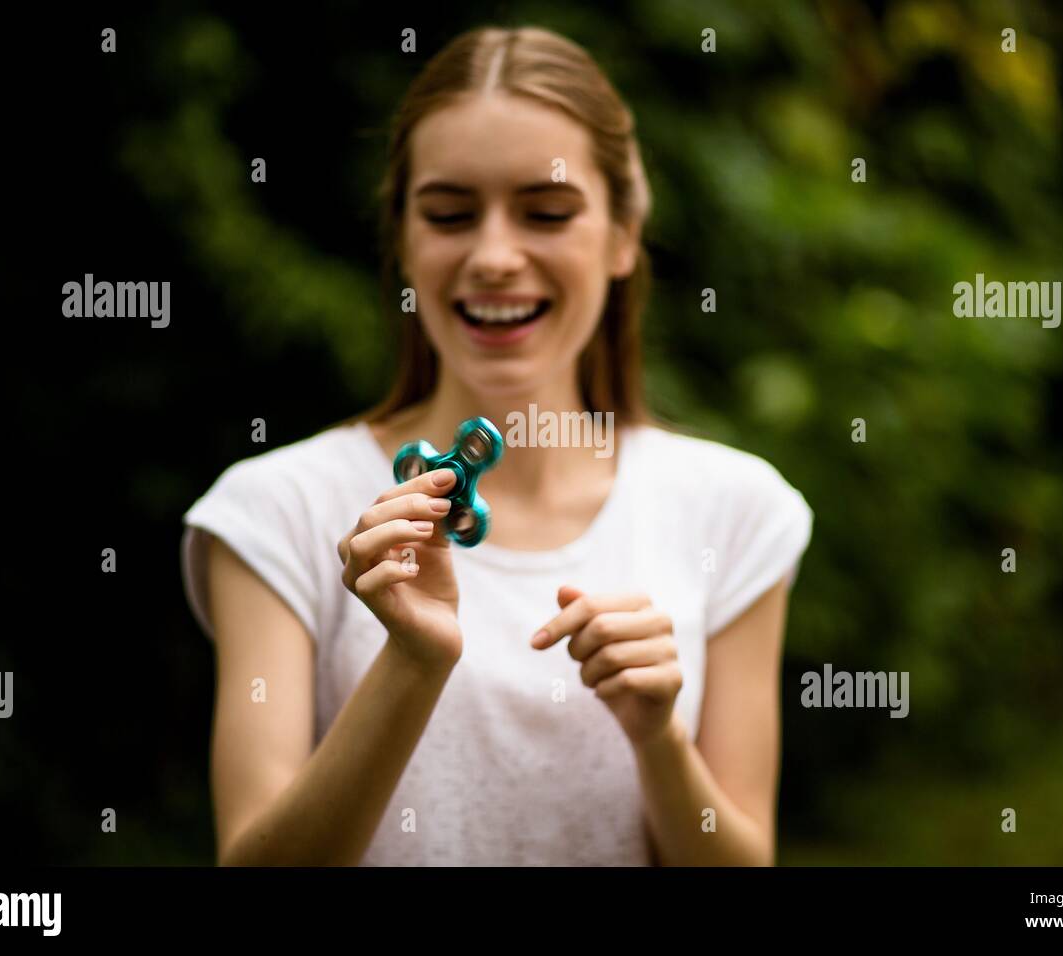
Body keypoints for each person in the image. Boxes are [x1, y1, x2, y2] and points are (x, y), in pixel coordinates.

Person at [180, 25, 813, 866]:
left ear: (625, 234)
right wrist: (412, 661)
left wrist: (658, 736)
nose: (494, 256)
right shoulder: (274, 511)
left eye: (546, 212)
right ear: (403, 240)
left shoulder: (735, 511)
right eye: (448, 215)